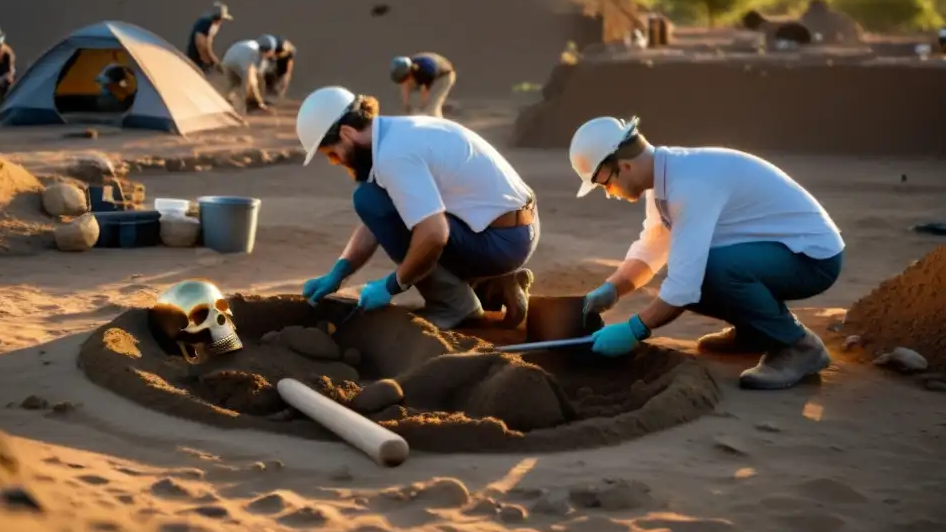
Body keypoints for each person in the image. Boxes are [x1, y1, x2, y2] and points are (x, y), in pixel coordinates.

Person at [569, 116, 845, 390]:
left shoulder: (689, 184)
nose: (608, 192)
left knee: (707, 269)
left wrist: (633, 330)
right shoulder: (664, 180)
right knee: (690, 265)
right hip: (771, 251)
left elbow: (684, 286)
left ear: (625, 165)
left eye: (604, 182)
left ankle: (798, 345)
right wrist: (612, 289)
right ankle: (755, 332)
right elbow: (652, 248)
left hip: (811, 258)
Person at [295, 86, 539, 330]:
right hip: (514, 228)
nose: (336, 162)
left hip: (502, 240)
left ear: (347, 133)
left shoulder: (394, 155)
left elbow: (433, 233)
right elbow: (378, 222)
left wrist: (392, 285)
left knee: (370, 200)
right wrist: (340, 272)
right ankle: (494, 283)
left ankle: (454, 305)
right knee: (377, 202)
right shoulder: (395, 132)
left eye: (332, 154)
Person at [389, 53, 455, 118]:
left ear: (410, 72)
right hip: (426, 71)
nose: (405, 81)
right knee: (414, 100)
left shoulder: (425, 72)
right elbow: (405, 86)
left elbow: (426, 93)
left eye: (405, 78)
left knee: (431, 107)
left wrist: (423, 107)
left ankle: (439, 125)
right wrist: (407, 105)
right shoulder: (406, 70)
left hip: (443, 76)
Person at [220, 36, 275, 115]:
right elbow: (252, 81)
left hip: (227, 61)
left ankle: (228, 101)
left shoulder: (255, 46)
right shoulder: (254, 55)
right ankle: (249, 105)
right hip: (233, 63)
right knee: (248, 83)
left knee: (233, 85)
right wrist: (259, 101)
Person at [186, 2, 232, 73]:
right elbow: (200, 44)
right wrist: (212, 62)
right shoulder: (206, 25)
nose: (221, 22)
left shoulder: (208, 24)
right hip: (197, 62)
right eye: (221, 19)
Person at [260, 35, 296, 101]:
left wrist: (288, 74)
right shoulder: (264, 47)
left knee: (283, 76)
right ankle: (267, 92)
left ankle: (278, 96)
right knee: (266, 74)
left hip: (283, 58)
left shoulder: (283, 47)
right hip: (273, 56)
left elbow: (292, 53)